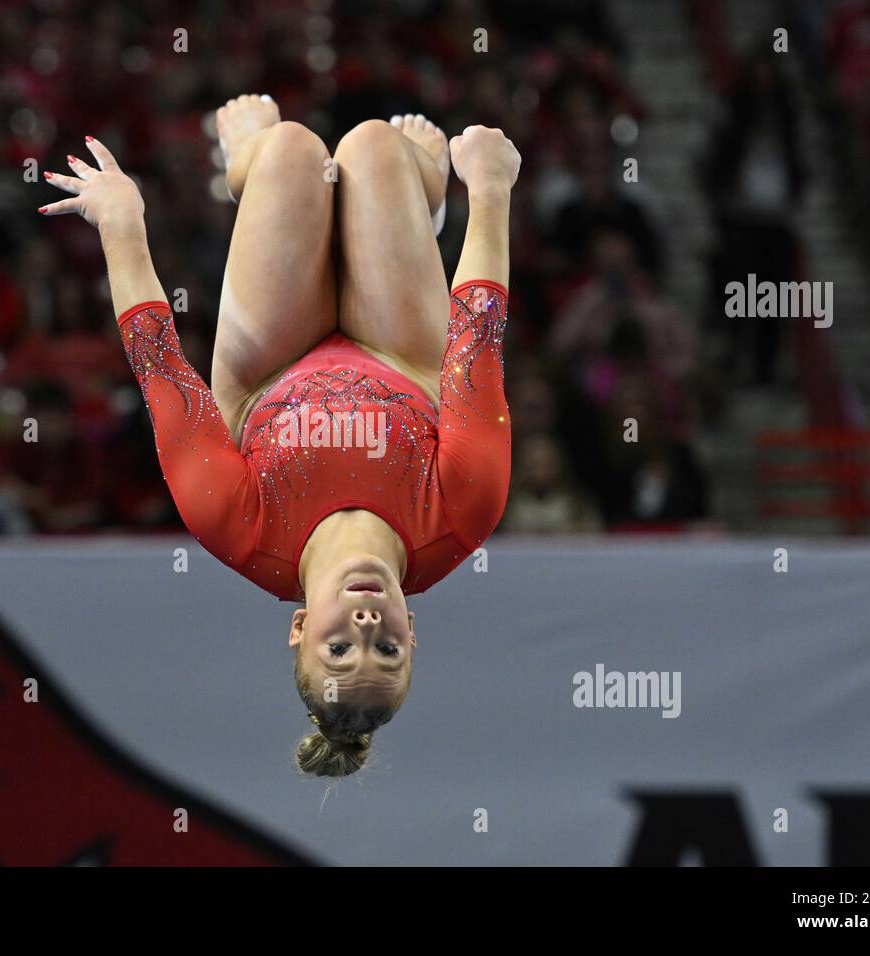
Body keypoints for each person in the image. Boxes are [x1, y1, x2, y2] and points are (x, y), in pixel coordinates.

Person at [40, 95, 520, 776]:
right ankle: (425, 195)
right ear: (413, 635)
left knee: (292, 152)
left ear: (299, 631)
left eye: (338, 651)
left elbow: (160, 368)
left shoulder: (239, 529)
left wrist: (121, 219)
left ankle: (248, 164)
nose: (366, 630)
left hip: (270, 367)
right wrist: (491, 188)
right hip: (401, 356)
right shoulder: (461, 515)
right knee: (371, 146)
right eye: (388, 652)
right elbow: (477, 339)